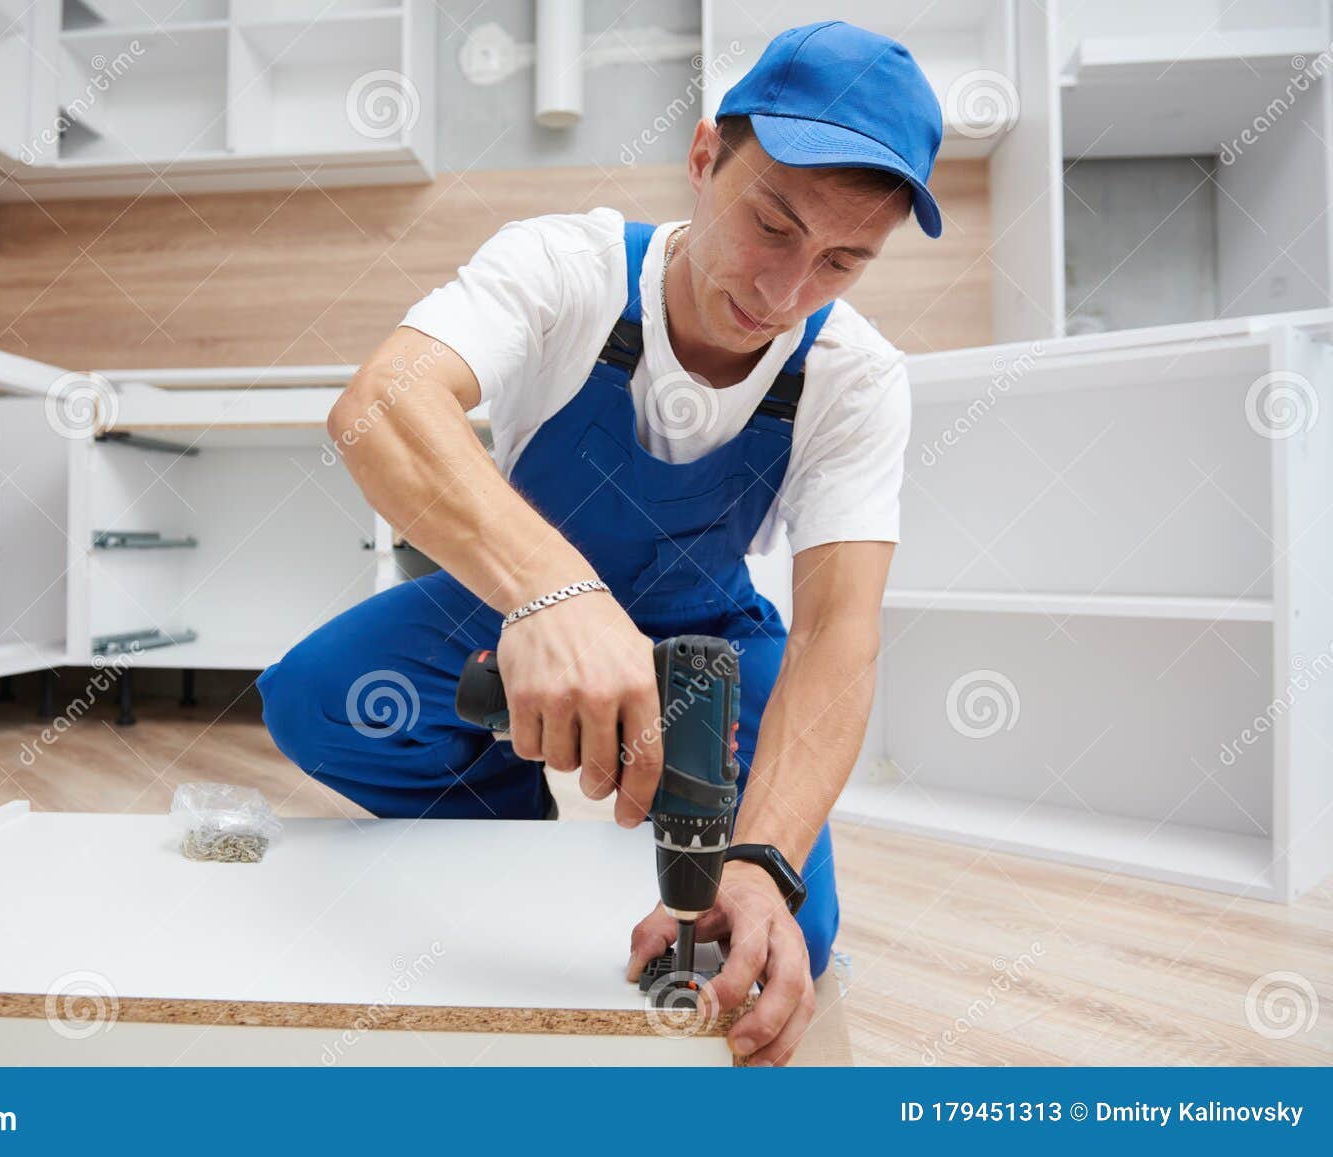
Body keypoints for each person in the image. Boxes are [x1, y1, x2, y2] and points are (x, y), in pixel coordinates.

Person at [257, 20, 943, 1066]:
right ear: (706, 157)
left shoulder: (855, 374)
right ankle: (504, 828)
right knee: (319, 697)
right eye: (772, 225)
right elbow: (380, 406)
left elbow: (839, 636)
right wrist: (551, 596)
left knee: (772, 941)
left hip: (709, 635)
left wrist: (760, 857)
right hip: (510, 605)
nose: (782, 292)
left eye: (841, 261)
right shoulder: (564, 264)